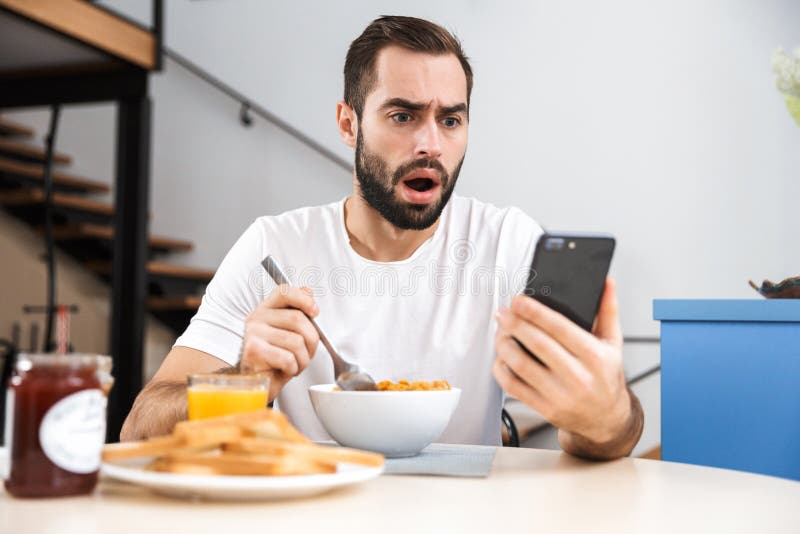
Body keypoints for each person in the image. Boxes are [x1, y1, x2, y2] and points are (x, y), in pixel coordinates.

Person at [121, 15, 643, 460]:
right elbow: (139, 427)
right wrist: (243, 382)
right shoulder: (274, 247)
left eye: (451, 119)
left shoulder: (507, 243)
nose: (431, 144)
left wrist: (605, 414)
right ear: (348, 124)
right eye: (402, 115)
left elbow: (610, 435)